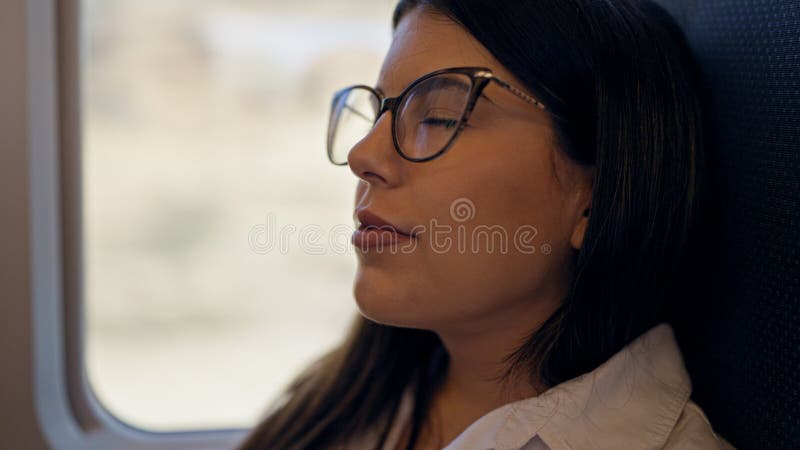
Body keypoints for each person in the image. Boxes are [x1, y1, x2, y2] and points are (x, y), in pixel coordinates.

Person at [237, 0, 734, 449]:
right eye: (377, 113)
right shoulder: (338, 402)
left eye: (441, 116)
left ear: (594, 197)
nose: (362, 154)